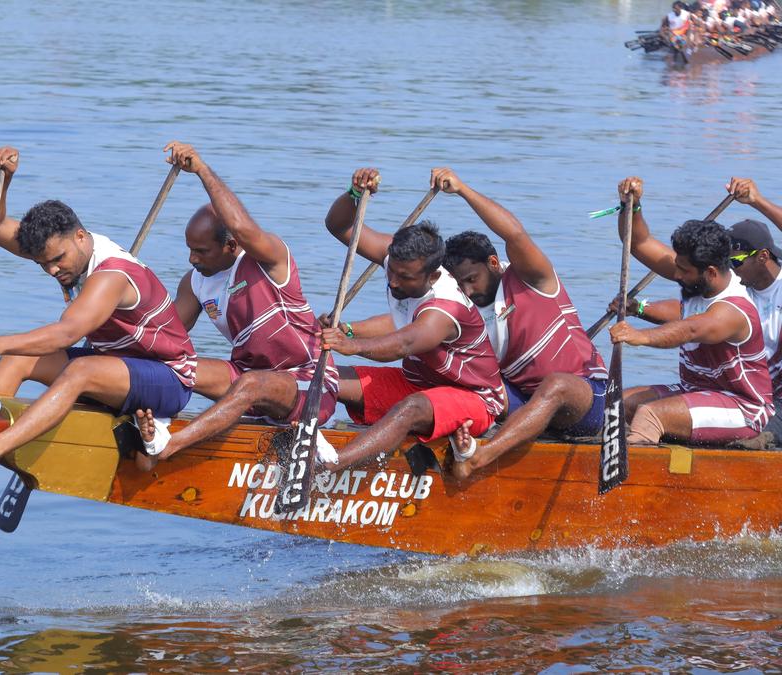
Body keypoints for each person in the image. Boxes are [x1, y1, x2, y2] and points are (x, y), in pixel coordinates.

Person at [0, 146, 198, 475]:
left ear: (81, 237)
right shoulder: (60, 249)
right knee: (20, 358)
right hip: (116, 368)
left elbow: (67, 333)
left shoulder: (111, 275)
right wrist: (2, 180)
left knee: (79, 370)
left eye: (58, 260)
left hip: (167, 379)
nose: (52, 270)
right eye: (43, 263)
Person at [133, 142, 337, 467]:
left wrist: (200, 169)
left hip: (308, 384)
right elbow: (165, 334)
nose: (192, 258)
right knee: (170, 367)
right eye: (189, 249)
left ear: (231, 245)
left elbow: (242, 226)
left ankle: (169, 446)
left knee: (251, 384)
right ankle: (139, 421)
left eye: (201, 251)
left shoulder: (269, 260)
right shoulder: (194, 282)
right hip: (246, 378)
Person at [317, 168, 505, 472]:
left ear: (432, 275)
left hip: (475, 400)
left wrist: (350, 344)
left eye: (403, 277)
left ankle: (331, 466)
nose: (392, 281)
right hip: (419, 383)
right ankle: (281, 431)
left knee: (412, 408)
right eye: (391, 270)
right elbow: (339, 226)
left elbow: (404, 343)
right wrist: (354, 195)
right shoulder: (399, 260)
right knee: (325, 375)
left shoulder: (446, 308)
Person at [434, 168, 607, 479]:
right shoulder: (462, 307)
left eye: (473, 279)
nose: (469, 291)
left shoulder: (530, 276)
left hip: (585, 401)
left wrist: (462, 190)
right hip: (522, 403)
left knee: (555, 384)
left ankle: (480, 457)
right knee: (457, 380)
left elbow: (514, 234)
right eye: (462, 285)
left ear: (493, 263)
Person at [608, 176, 773, 446]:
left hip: (743, 408)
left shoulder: (734, 309)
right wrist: (632, 207)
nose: (677, 274)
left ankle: (637, 484)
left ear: (709, 272)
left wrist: (641, 336)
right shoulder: (697, 277)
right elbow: (639, 243)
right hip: (696, 391)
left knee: (650, 414)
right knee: (617, 406)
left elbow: (691, 328)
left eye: (683, 270)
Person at [725, 177, 782, 442]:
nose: (731, 271)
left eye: (735, 262)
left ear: (763, 257)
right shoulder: (739, 291)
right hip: (752, 395)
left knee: (746, 438)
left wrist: (756, 201)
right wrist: (641, 308)